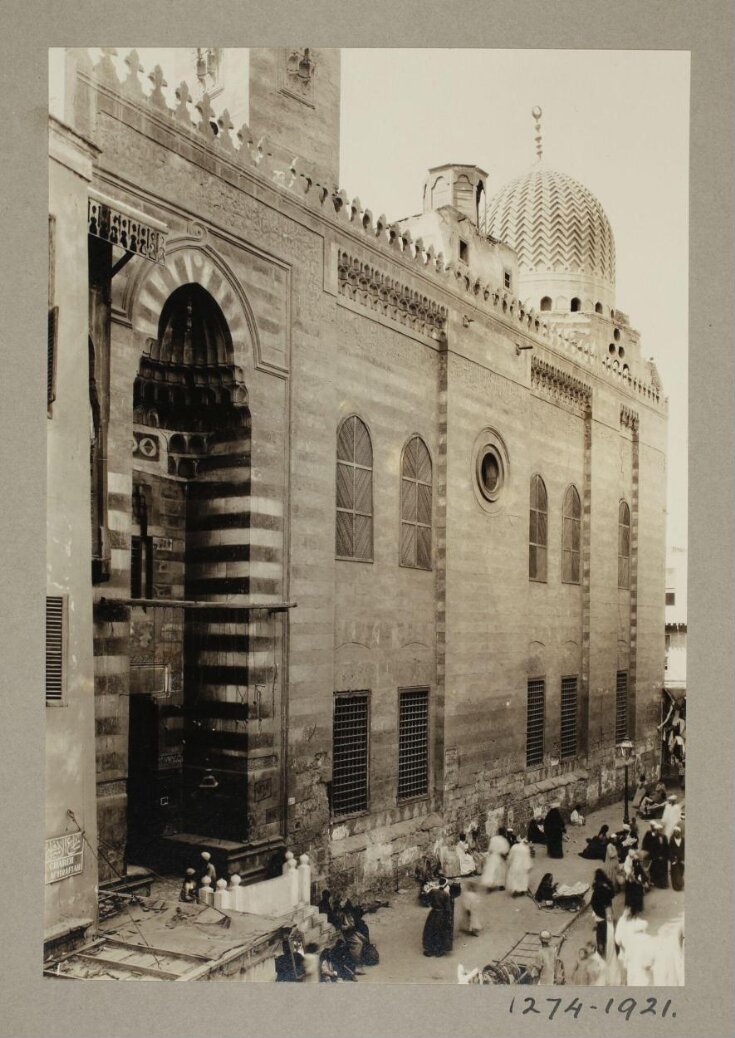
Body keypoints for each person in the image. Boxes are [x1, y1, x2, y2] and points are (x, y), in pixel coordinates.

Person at [422, 877, 457, 957]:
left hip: (433, 913)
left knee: (430, 931)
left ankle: (430, 950)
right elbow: (448, 908)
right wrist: (448, 918)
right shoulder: (446, 894)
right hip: (441, 915)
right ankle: (438, 951)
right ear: (445, 885)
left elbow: (427, 900)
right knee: (440, 932)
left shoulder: (433, 891)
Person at [590, 868, 615, 954]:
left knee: (600, 929)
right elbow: (612, 895)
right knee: (607, 929)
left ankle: (600, 946)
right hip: (607, 910)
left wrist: (596, 911)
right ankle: (607, 946)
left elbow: (592, 902)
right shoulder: (607, 885)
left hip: (599, 912)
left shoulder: (597, 888)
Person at [624, 921, 656, 986]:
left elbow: (626, 960)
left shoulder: (629, 940)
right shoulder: (648, 938)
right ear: (644, 929)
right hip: (644, 973)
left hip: (632, 973)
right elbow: (650, 959)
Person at [648, 822, 670, 889]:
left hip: (664, 857)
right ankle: (660, 884)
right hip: (657, 858)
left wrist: (665, 856)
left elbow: (667, 847)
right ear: (657, 831)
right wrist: (657, 856)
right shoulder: (654, 838)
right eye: (658, 830)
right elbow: (653, 849)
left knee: (664, 871)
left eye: (661, 830)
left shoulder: (665, 837)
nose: (660, 832)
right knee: (658, 871)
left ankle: (664, 883)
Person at [668, 825, 685, 890]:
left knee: (681, 872)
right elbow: (670, 851)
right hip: (674, 859)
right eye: (674, 832)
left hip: (681, 859)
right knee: (675, 873)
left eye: (676, 832)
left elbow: (684, 850)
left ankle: (680, 885)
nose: (675, 833)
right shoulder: (672, 840)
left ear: (679, 832)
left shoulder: (683, 840)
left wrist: (683, 858)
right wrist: (673, 859)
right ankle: (676, 886)